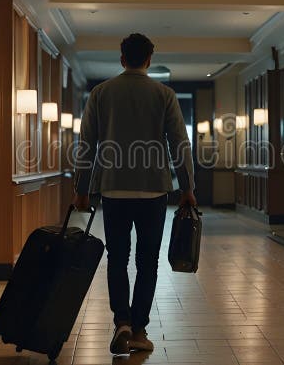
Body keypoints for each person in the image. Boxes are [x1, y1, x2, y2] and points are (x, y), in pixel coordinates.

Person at [73, 33, 196, 356]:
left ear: (122, 58)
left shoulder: (100, 94)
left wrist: (81, 190)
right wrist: (188, 188)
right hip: (153, 189)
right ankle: (139, 330)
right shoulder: (164, 95)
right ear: (149, 60)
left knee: (117, 259)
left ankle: (122, 323)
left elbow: (86, 144)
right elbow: (179, 144)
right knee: (147, 263)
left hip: (112, 188)